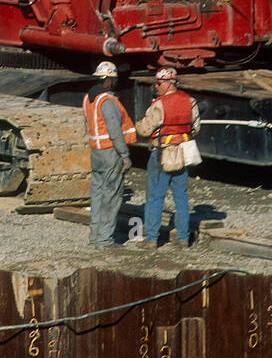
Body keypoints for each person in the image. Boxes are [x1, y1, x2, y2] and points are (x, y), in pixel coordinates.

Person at [135, 67, 200, 247]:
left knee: (155, 197)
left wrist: (137, 125)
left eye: (158, 83)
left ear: (167, 83)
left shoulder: (159, 104)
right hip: (182, 154)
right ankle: (183, 238)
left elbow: (145, 129)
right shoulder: (191, 101)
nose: (156, 86)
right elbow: (196, 128)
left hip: (161, 154)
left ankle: (151, 239)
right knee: (181, 197)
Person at [82, 61, 136, 248]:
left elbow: (86, 125)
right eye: (113, 79)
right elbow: (114, 131)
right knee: (111, 196)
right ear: (108, 80)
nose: (115, 83)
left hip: (96, 152)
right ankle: (105, 240)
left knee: (97, 194)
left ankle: (95, 237)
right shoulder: (108, 101)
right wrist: (125, 154)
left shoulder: (89, 99)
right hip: (110, 153)